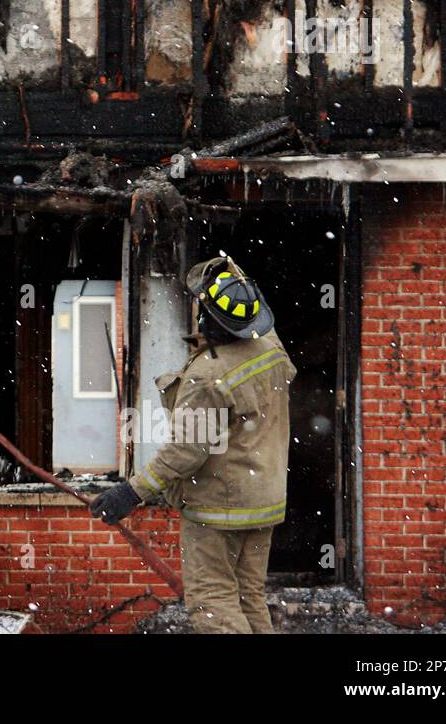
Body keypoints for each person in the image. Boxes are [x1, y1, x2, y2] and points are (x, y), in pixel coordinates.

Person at [90, 254, 298, 634]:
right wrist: (234, 281)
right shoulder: (271, 350)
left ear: (208, 319)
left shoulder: (208, 375)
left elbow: (186, 452)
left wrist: (131, 492)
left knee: (213, 602)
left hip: (220, 508)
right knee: (249, 597)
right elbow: (259, 317)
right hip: (265, 502)